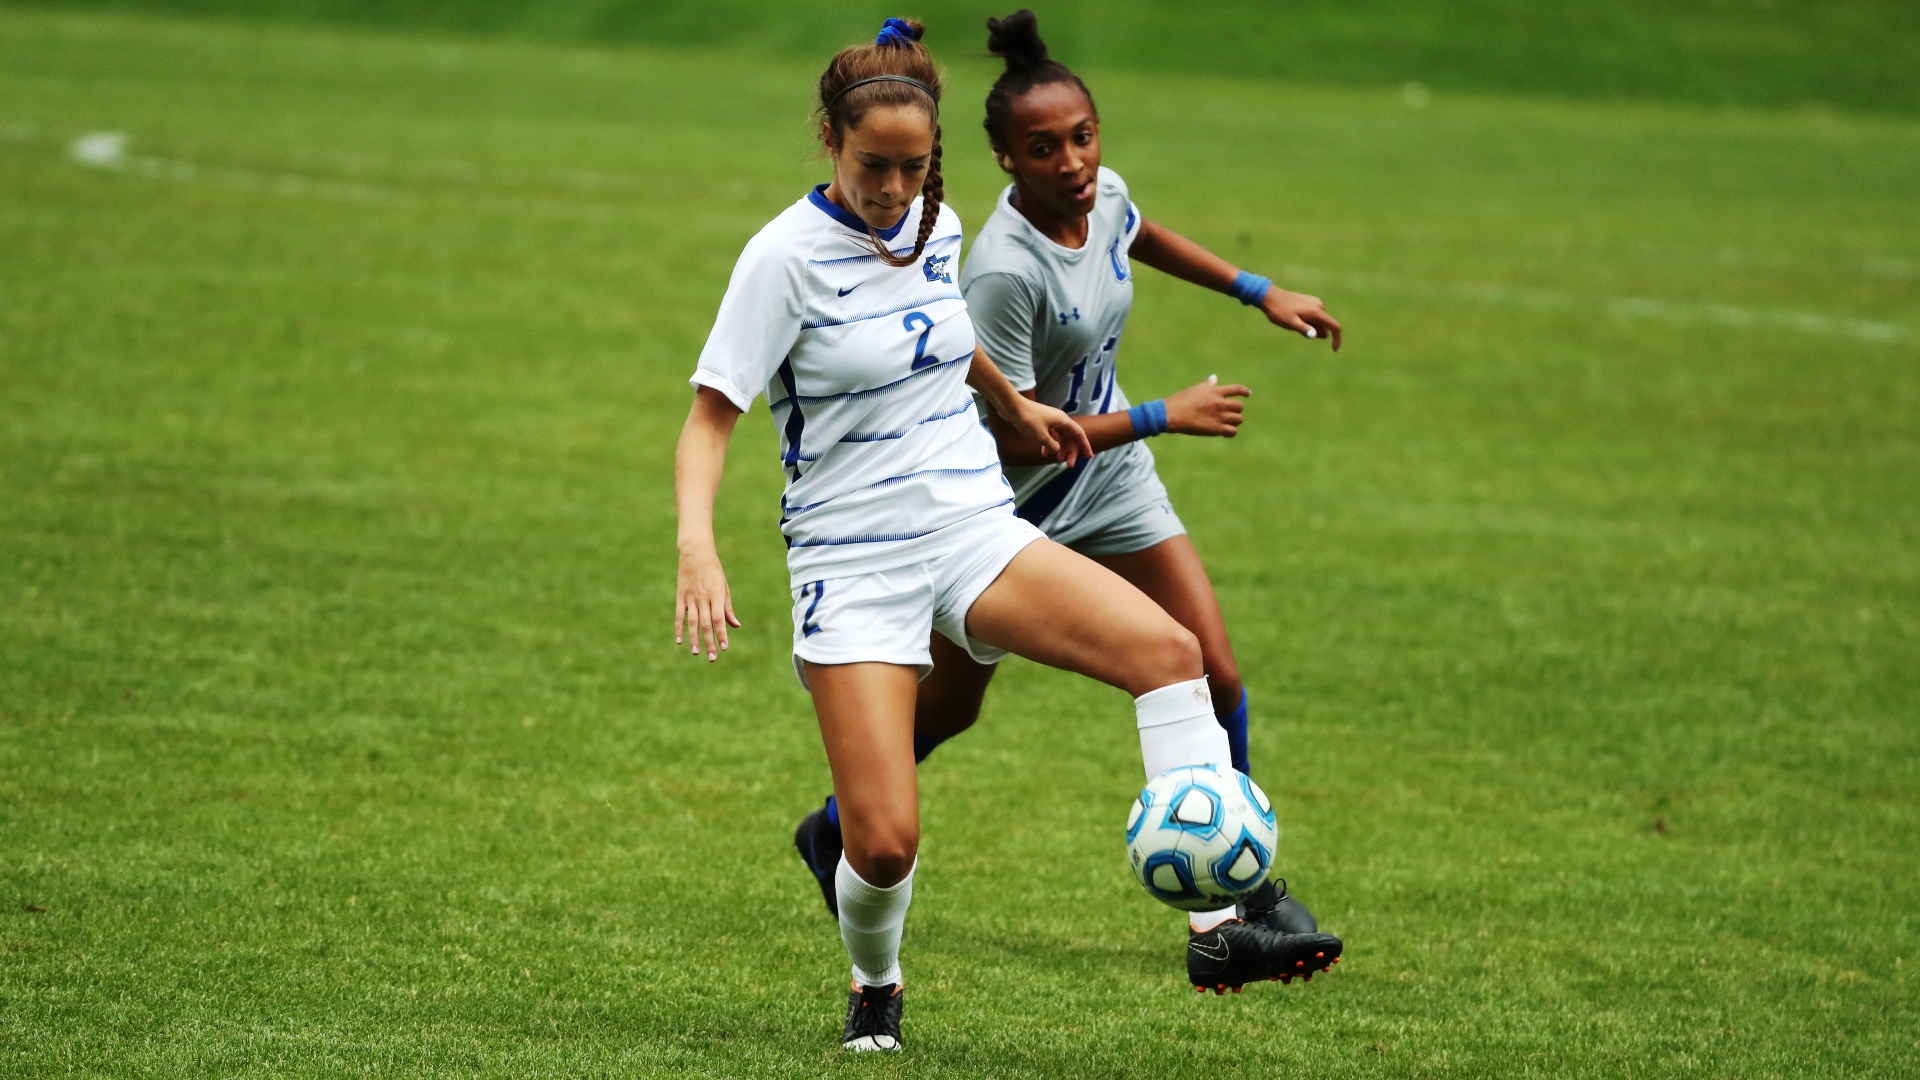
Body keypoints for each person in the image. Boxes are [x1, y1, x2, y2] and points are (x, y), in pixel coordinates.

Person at [680, 18, 1341, 1052]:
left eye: (912, 168)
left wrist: (1010, 400)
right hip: (852, 560)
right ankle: (875, 986)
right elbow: (710, 418)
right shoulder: (782, 259)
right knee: (883, 845)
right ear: (829, 142)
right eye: (872, 167)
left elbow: (940, 328)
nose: (893, 190)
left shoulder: (936, 225)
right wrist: (698, 547)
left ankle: (1218, 927)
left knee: (1171, 655)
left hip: (970, 526)